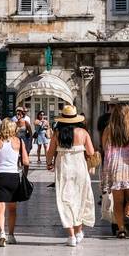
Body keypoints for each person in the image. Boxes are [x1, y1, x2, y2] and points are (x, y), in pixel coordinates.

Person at [46, 105, 96, 246]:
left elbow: (50, 152)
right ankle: (79, 231)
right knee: (80, 198)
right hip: (80, 168)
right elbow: (91, 153)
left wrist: (49, 164)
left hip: (64, 168)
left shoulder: (57, 133)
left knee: (64, 200)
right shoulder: (83, 133)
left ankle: (71, 236)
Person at [100, 104, 129, 239]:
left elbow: (104, 149)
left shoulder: (108, 130)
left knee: (118, 201)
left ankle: (121, 230)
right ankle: (128, 216)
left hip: (114, 167)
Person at [0, 118, 30, 246]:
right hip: (13, 177)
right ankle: (11, 235)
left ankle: (2, 234)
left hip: (0, 177)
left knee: (0, 207)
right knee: (12, 209)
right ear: (13, 128)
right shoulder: (19, 141)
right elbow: (26, 162)